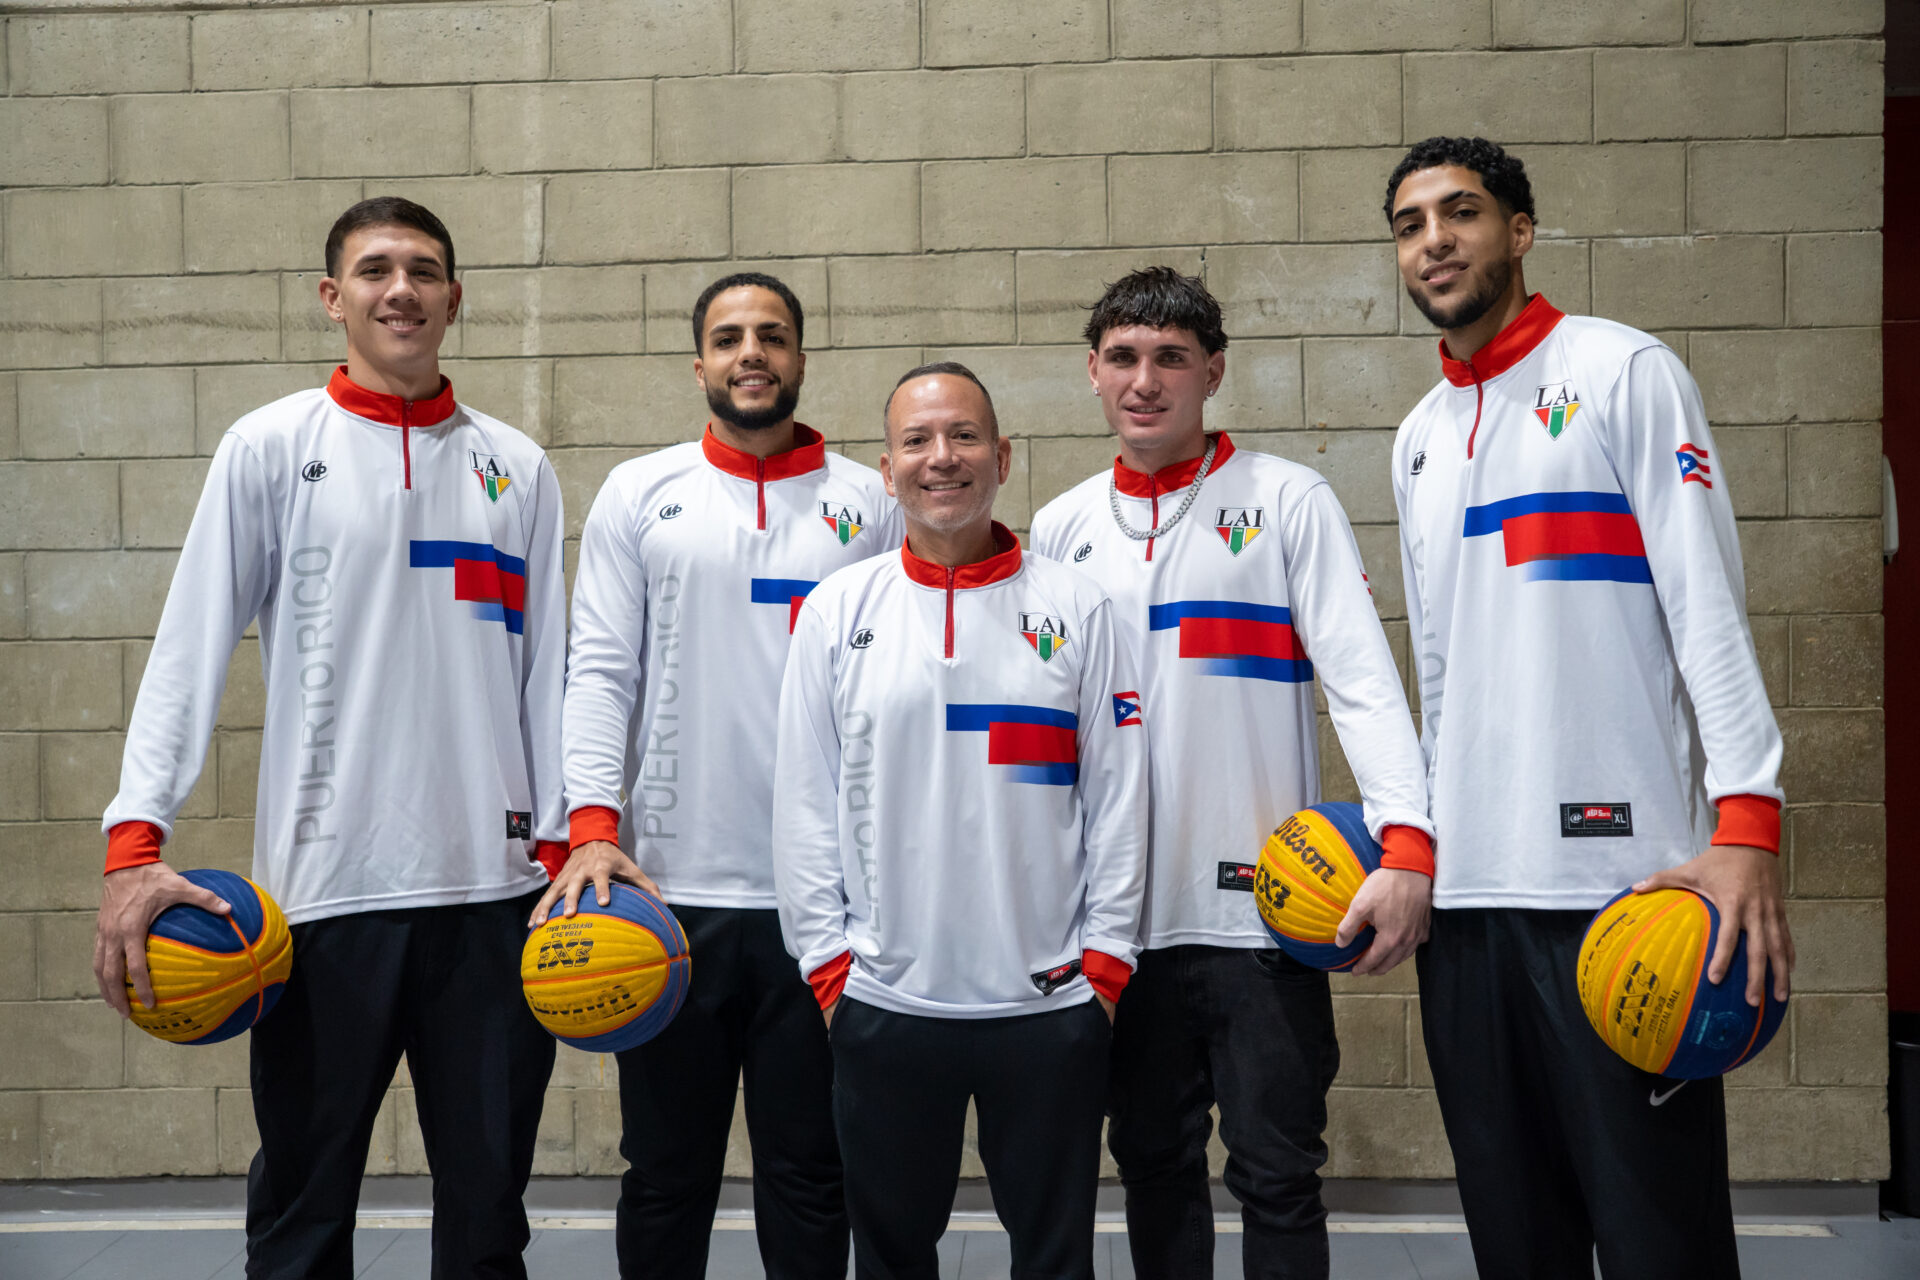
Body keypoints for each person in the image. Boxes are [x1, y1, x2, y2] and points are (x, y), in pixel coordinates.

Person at [93, 197, 567, 1278]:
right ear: (332, 296)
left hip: (491, 907)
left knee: (490, 1220)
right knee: (303, 1219)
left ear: (455, 298)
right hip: (321, 905)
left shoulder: (518, 466)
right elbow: (189, 646)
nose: (401, 288)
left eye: (425, 270)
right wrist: (134, 839)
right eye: (375, 269)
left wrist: (560, 842)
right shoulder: (269, 446)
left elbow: (550, 679)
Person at [1385, 135, 1794, 1279]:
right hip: (1467, 903)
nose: (1435, 241)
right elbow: (1444, 679)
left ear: (1519, 231)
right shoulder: (1418, 438)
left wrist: (1745, 818)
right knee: (1517, 1242)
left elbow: (1707, 602)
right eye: (1412, 225)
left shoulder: (1625, 371)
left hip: (1623, 898)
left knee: (1661, 1238)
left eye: (1460, 213)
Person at [1030, 268, 1435, 1279]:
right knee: (1154, 1168)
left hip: (1268, 926)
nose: (1145, 380)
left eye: (1171, 357)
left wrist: (1408, 841)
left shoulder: (1289, 499)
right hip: (1121, 924)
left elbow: (1365, 685)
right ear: (1091, 372)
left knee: (1278, 1172)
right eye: (1123, 356)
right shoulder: (1060, 527)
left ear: (1213, 369)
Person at [539, 273, 898, 1279]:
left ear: (800, 358)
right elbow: (601, 668)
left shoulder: (870, 504)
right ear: (699, 362)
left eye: (773, 336)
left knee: (811, 1169)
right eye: (730, 337)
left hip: (817, 907)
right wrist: (592, 827)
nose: (753, 352)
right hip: (666, 904)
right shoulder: (638, 493)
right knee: (663, 1170)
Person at [772, 362, 1148, 1279]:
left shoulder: (1079, 607)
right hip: (886, 1005)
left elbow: (1120, 799)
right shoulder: (836, 612)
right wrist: (828, 968)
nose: (942, 458)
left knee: (1056, 1259)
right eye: (917, 441)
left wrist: (1101, 970)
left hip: (1049, 1005)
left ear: (1003, 457)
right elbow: (802, 803)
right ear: (888, 469)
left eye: (964, 436)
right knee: (892, 1257)